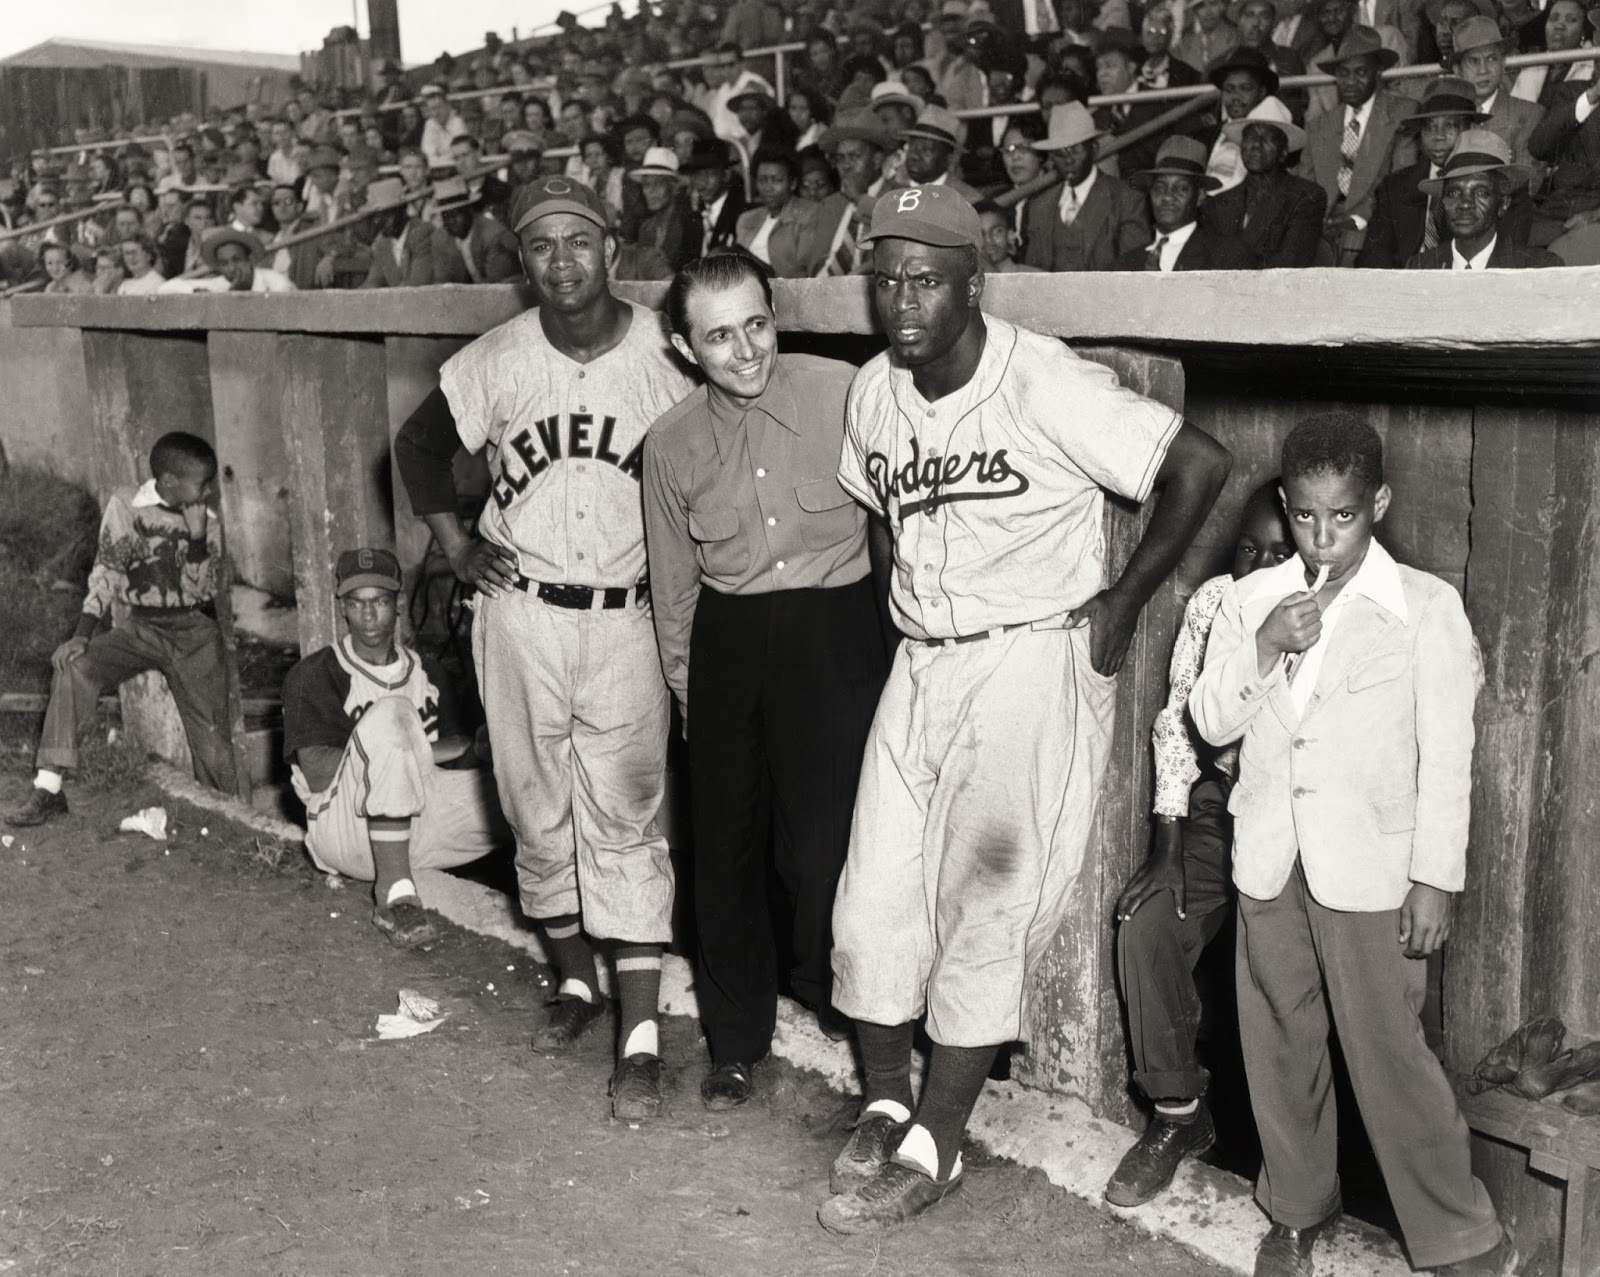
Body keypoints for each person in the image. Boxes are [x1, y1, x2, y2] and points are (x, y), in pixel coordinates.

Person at [819, 184, 1231, 1234]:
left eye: (925, 279)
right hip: (923, 661)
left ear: (971, 280)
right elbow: (879, 519)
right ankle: (879, 1097)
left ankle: (937, 1139)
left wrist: (1121, 604)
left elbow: (1196, 464)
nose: (901, 300)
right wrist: (903, 627)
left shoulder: (1041, 378)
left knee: (987, 908)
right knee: (871, 897)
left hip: (1026, 659)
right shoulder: (873, 390)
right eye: (885, 279)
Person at [392, 175, 695, 1123]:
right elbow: (414, 449)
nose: (561, 262)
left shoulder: (668, 349)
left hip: (628, 615)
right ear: (521, 261)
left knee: (630, 812)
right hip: (518, 608)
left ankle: (640, 1037)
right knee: (533, 807)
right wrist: (452, 543)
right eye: (540, 247)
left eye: (578, 241)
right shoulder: (496, 357)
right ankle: (573, 979)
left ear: (612, 246)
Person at [1190, 414, 1516, 1277]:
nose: (1320, 535)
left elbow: (1449, 756)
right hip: (1269, 859)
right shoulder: (1252, 601)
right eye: (1302, 516)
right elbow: (1211, 719)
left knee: (1390, 1058)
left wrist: (1433, 879)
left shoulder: (1425, 607)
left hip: (1371, 870)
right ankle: (1297, 1205)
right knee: (1278, 1043)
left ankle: (1460, 1235)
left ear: (1378, 501)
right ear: (1284, 506)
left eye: (1342, 515)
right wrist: (1264, 646)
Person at [642, 252, 890, 1111]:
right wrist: (690, 695)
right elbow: (673, 589)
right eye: (718, 336)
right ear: (684, 347)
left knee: (825, 850)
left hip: (838, 632)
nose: (746, 350)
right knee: (725, 851)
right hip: (729, 643)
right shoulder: (669, 445)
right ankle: (736, 1038)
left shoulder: (848, 391)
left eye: (757, 323)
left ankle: (838, 996)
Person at [1103, 483, 1295, 1208]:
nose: (1260, 563)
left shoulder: (1322, 612)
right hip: (1216, 809)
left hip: (1297, 818)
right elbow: (1176, 724)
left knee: (1286, 971)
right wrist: (1167, 845)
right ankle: (1178, 1112)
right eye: (1249, 547)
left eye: (1280, 551)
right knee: (1146, 920)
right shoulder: (1214, 601)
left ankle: (1306, 1176)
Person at [6, 433, 237, 827]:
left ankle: (232, 818)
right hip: (143, 626)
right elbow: (107, 571)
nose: (210, 490)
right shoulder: (126, 507)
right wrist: (82, 633)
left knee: (213, 737)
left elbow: (202, 592)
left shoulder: (208, 524)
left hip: (195, 633)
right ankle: (48, 788)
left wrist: (197, 537)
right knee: (73, 669)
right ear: (168, 481)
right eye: (203, 482)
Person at [281, 547, 506, 949]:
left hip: (422, 829)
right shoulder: (314, 674)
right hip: (347, 833)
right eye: (357, 603)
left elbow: (451, 772)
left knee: (528, 789)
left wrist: (481, 751)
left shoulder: (429, 673)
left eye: (380, 601)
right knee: (392, 716)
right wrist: (426, 750)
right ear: (343, 608)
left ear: (399, 603)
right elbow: (319, 773)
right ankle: (394, 893)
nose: (369, 615)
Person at [1299, 26, 1418, 264]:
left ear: (1379, 72)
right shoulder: (1320, 125)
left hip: (1376, 232)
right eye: (1343, 73)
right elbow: (1305, 190)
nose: (1350, 82)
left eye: (1361, 72)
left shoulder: (1403, 113)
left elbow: (1401, 187)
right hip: (1323, 236)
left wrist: (1357, 219)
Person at [1357, 76, 1487, 267]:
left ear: (1472, 129)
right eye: (1429, 127)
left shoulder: (1487, 186)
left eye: (1450, 125)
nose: (1438, 137)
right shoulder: (1395, 186)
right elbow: (1374, 255)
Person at [1405, 129, 1565, 267]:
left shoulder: (1538, 268)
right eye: (1454, 193)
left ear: (1504, 203)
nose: (1465, 204)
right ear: (1443, 201)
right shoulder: (1420, 267)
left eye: (1481, 193)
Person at [1023, 103, 1153, 272]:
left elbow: (1133, 274)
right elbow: (1032, 276)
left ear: (1093, 149)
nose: (1068, 159)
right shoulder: (1039, 207)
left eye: (1075, 150)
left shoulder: (1127, 201)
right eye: (1060, 153)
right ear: (1051, 157)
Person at [1199, 97, 1328, 266]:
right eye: (1250, 137)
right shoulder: (1216, 205)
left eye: (1268, 139)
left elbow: (1290, 264)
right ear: (1241, 147)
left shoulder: (1306, 197)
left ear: (1283, 153)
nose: (1256, 145)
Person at [1115, 136, 1257, 269]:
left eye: (1181, 188)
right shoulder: (1126, 264)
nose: (1167, 196)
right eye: (1159, 188)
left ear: (1200, 196)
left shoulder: (1226, 258)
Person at [736, 150, 827, 277]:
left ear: (793, 183)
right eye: (762, 180)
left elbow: (806, 272)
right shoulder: (747, 219)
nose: (768, 188)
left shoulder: (810, 213)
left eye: (776, 180)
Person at [360, 178, 453, 289]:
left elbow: (416, 285)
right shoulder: (383, 244)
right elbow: (373, 282)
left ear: (402, 210)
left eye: (385, 214)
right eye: (375, 217)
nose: (379, 221)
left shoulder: (423, 233)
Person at [158, 227, 297, 293]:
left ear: (249, 260)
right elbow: (164, 289)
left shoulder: (273, 280)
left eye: (237, 260)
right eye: (223, 263)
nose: (231, 268)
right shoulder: (219, 284)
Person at [435, 177, 522, 283]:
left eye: (456, 213)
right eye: (446, 215)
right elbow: (442, 283)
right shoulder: (440, 238)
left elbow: (495, 285)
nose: (451, 220)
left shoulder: (492, 234)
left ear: (470, 210)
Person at [630, 147, 701, 270]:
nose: (651, 192)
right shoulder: (646, 228)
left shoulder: (689, 224)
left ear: (674, 188)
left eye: (658, 183)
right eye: (646, 185)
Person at [896, 105, 983, 201]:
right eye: (911, 147)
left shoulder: (967, 201)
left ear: (949, 159)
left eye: (926, 150)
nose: (914, 155)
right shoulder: (892, 196)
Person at [684, 141, 748, 255]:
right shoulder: (693, 216)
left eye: (709, 174)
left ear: (726, 175)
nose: (701, 183)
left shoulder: (741, 214)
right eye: (697, 175)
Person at [974, 198, 1044, 271]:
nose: (989, 240)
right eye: (979, 233)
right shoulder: (964, 281)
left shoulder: (1037, 277)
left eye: (997, 231)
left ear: (1010, 235)